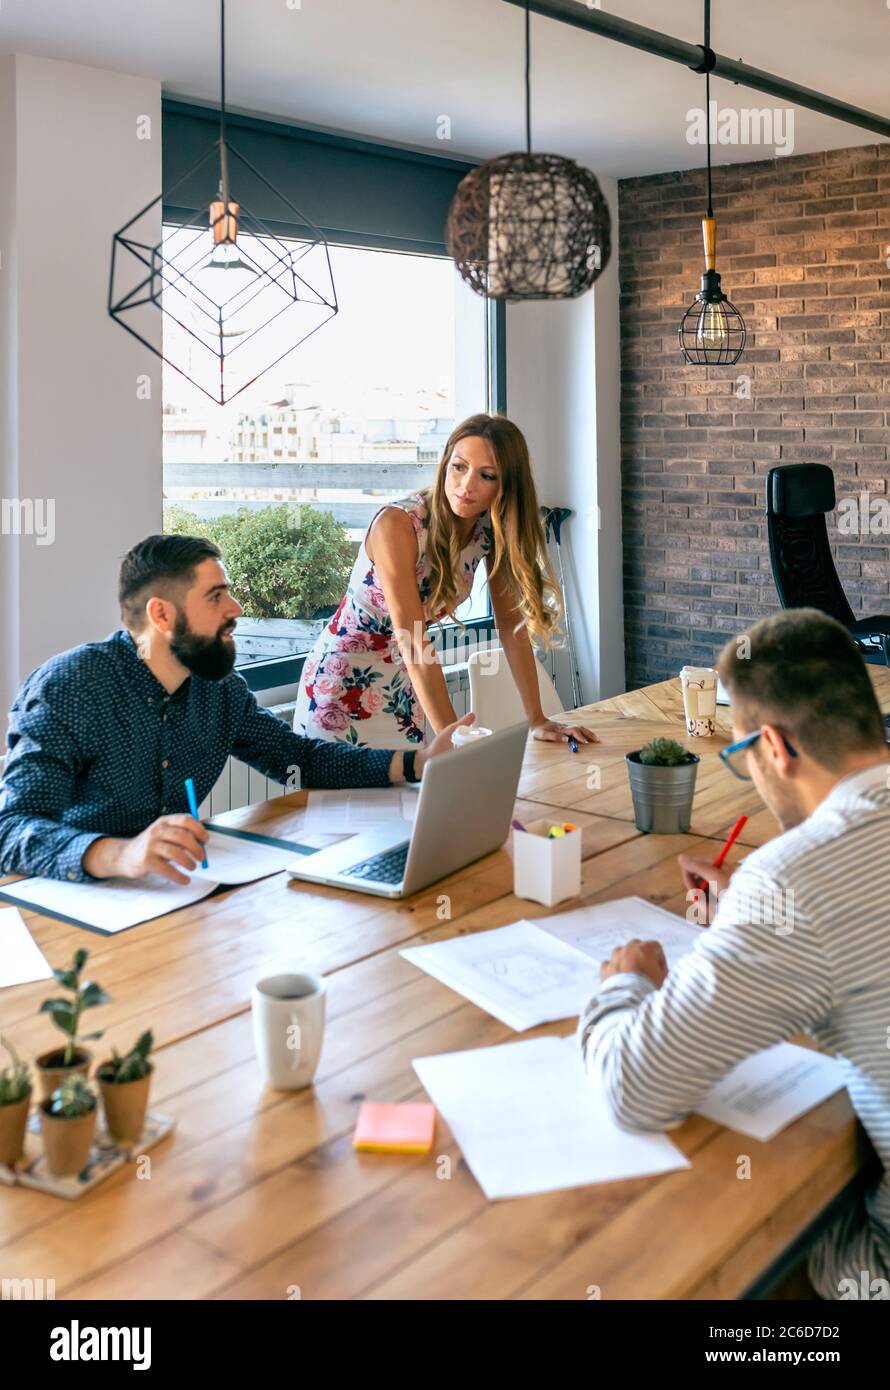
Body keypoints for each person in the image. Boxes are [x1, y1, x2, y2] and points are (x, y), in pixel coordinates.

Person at [578, 608, 890, 1300]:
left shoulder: (799, 875)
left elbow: (636, 1089)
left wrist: (626, 987)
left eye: (743, 759)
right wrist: (756, 920)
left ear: (774, 748)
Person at [0, 535, 468, 885]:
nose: (236, 607)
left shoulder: (217, 690)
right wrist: (119, 854)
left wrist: (416, 763)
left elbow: (300, 759)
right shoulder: (71, 689)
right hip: (71, 907)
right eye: (216, 596)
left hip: (176, 897)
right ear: (161, 615)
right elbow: (12, 830)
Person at [294, 412, 598, 749]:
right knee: (344, 801)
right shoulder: (397, 524)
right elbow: (412, 641)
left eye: (487, 475)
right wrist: (452, 740)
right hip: (339, 687)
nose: (467, 485)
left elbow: (512, 624)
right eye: (459, 467)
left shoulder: (489, 530)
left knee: (413, 802)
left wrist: (537, 719)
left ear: (506, 486)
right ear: (445, 464)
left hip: (401, 690)